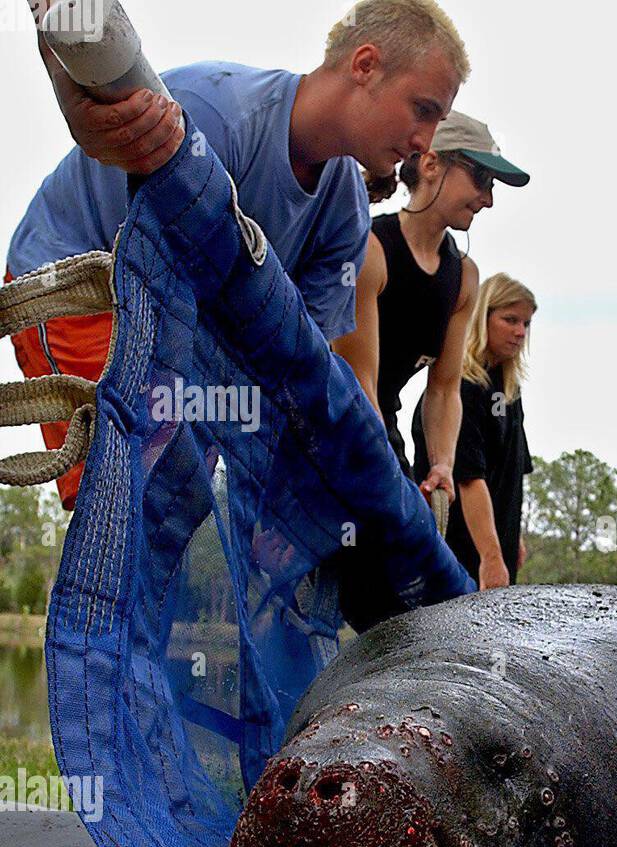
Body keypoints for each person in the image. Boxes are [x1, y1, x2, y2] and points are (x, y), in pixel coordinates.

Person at [7, 0, 469, 509]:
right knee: (126, 489)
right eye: (423, 109)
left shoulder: (345, 217)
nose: (427, 142)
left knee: (187, 498)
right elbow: (162, 306)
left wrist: (358, 486)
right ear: (365, 66)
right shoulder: (212, 112)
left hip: (188, 328)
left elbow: (299, 367)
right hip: (83, 279)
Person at [334, 112, 529, 500]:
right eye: (481, 180)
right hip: (326, 431)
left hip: (381, 434)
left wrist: (442, 465)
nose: (488, 200)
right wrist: (390, 483)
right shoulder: (370, 250)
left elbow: (443, 388)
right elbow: (357, 382)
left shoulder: (464, 277)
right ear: (431, 163)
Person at [415, 274, 536, 590]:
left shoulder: (508, 390)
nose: (520, 332)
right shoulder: (463, 389)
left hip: (494, 548)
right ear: (483, 317)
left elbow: (511, 472)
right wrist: (491, 556)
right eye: (510, 320)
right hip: (460, 553)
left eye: (526, 323)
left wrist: (512, 539)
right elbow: (469, 478)